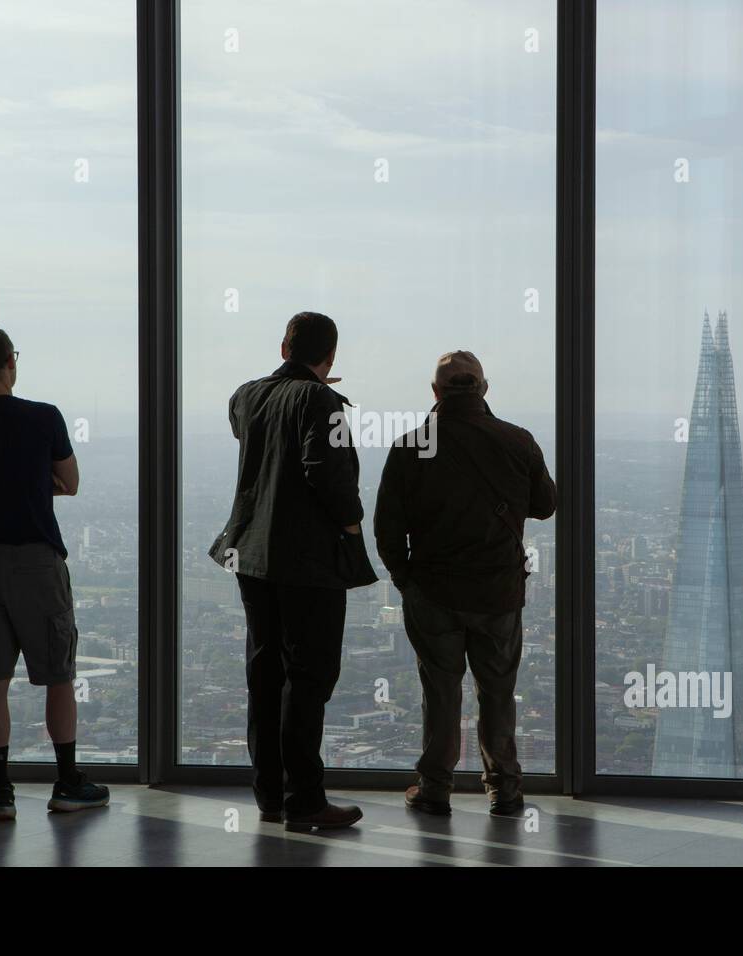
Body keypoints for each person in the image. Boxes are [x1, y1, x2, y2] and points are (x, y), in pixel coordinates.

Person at [209, 311, 374, 832]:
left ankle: (271, 794)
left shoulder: (246, 395)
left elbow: (250, 426)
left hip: (252, 556)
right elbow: (324, 469)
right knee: (309, 676)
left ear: (284, 347)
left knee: (265, 670)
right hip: (308, 563)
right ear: (331, 357)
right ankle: (305, 799)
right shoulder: (319, 401)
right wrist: (350, 526)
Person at [374, 350, 556, 816]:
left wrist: (406, 580)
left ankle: (435, 788)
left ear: (435, 391)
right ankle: (505, 790)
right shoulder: (518, 441)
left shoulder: (411, 446)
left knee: (440, 692)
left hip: (433, 592)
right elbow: (545, 504)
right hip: (497, 593)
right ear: (484, 387)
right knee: (497, 692)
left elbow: (388, 528)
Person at [0, 326, 109, 820]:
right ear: (11, 362)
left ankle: (0, 791)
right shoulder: (44, 418)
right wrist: (34, 484)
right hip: (36, 561)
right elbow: (71, 483)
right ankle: (67, 781)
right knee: (59, 674)